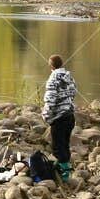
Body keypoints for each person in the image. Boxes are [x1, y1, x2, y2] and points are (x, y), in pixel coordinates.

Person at [42, 53, 77, 182]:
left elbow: (50, 101)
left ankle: (64, 176)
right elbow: (73, 93)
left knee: (57, 146)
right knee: (65, 145)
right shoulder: (70, 77)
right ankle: (66, 172)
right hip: (70, 116)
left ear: (50, 66)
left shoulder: (53, 79)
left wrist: (46, 116)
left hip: (59, 118)